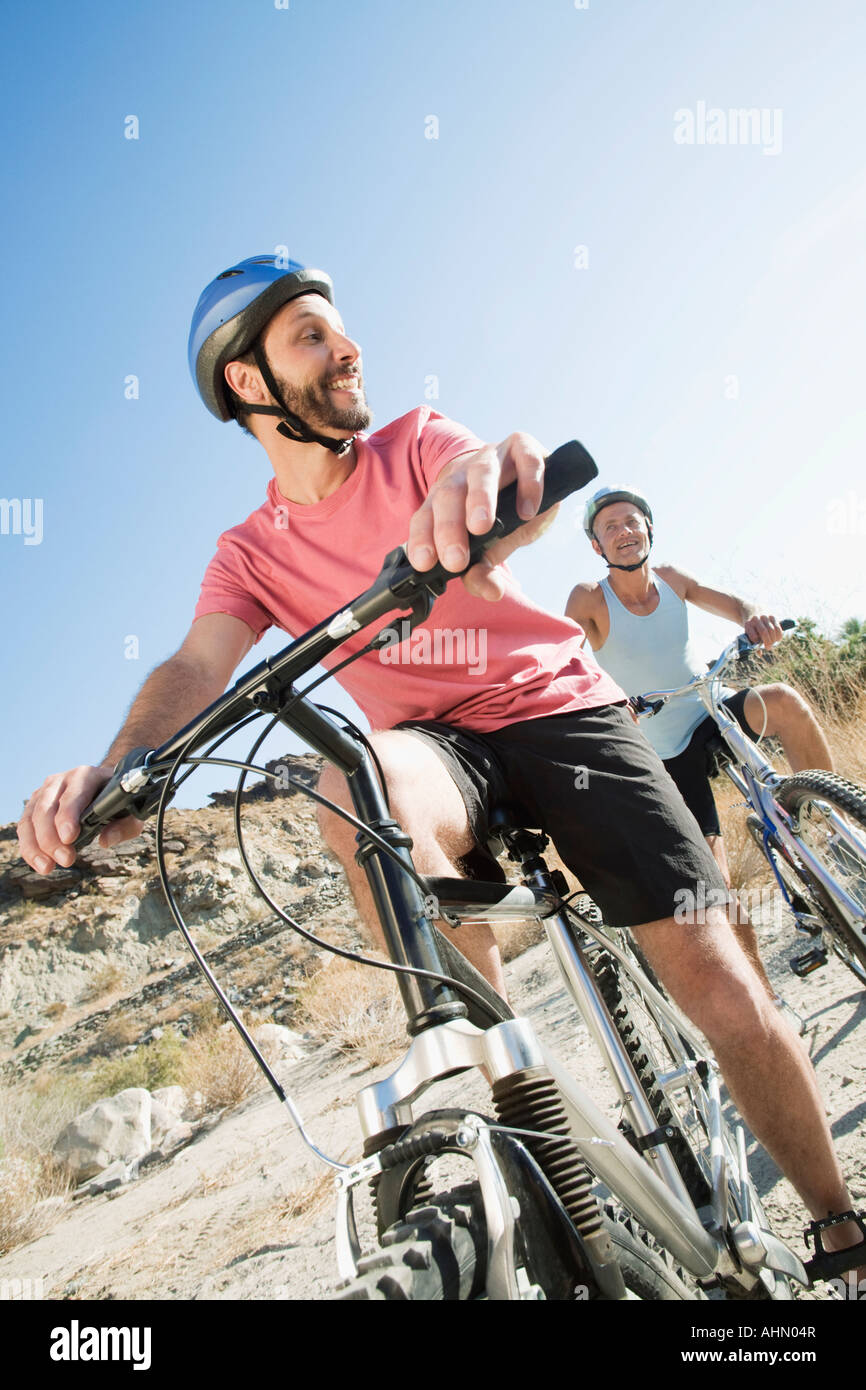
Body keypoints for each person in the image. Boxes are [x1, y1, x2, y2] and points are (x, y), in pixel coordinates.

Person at [16, 255, 862, 1265]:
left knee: (719, 983)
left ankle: (834, 1218)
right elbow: (199, 660)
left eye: (340, 328)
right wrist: (124, 768)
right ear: (249, 384)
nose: (346, 348)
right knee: (348, 779)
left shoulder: (417, 441)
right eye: (310, 337)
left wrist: (501, 478)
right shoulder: (247, 550)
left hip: (556, 709)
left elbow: (504, 483)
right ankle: (491, 1064)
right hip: (436, 748)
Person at [565, 485, 834, 1005]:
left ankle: (829, 826)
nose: (623, 531)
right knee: (713, 879)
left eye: (631, 520)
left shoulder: (672, 579)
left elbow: (734, 604)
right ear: (597, 546)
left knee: (782, 700)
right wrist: (606, 703)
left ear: (648, 527)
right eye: (609, 527)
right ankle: (763, 999)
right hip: (665, 749)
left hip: (712, 711)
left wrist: (754, 617)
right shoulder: (590, 599)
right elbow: (566, 656)